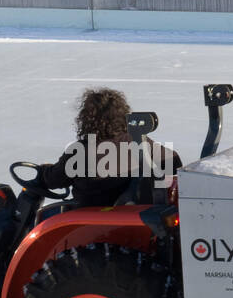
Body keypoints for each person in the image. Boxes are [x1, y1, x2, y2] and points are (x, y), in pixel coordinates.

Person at [39, 86, 181, 207]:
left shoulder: (81, 151)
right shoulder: (140, 142)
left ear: (86, 119)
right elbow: (174, 162)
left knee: (47, 215)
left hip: (87, 221)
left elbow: (53, 180)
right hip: (130, 216)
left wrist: (43, 171)